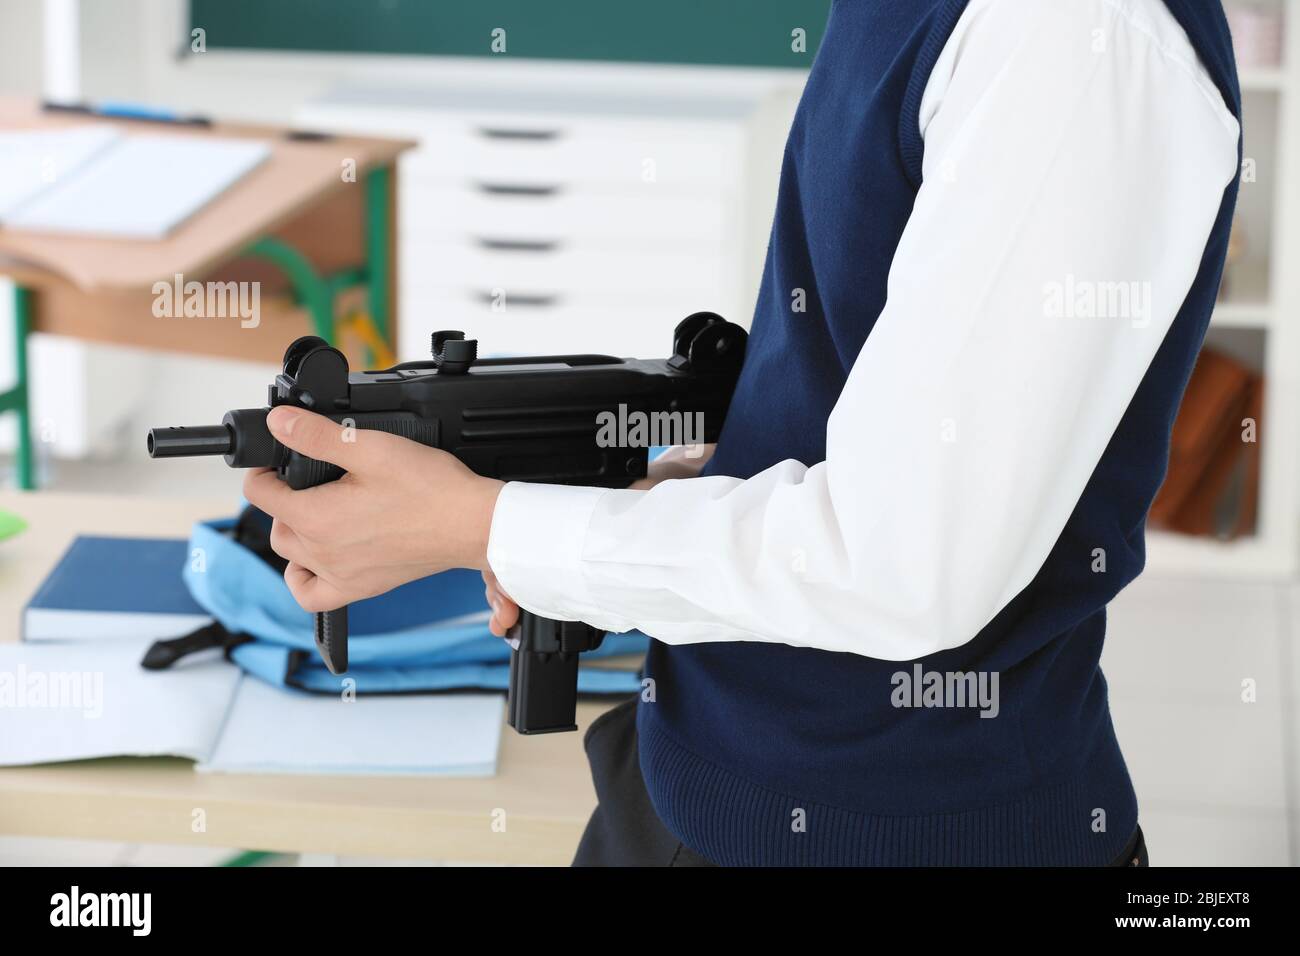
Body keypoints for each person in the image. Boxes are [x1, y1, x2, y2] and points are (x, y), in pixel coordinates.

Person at [244, 0, 1241, 866]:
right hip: (720, 767)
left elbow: (903, 564)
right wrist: (674, 497)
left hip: (887, 823)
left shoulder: (1069, 37)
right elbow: (878, 400)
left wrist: (488, 526)